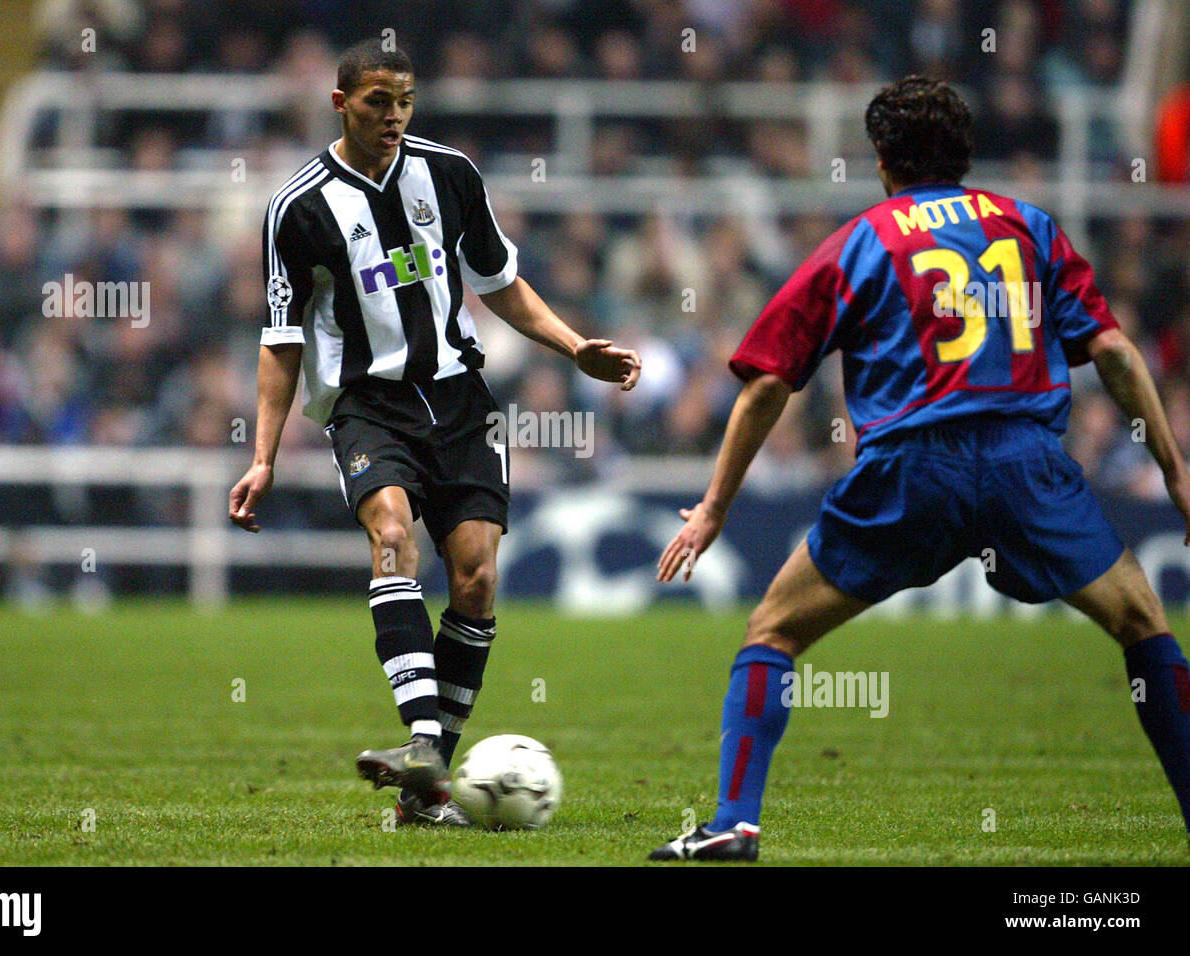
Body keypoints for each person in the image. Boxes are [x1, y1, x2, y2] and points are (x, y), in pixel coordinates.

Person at [649, 76, 1190, 862]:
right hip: (1025, 464)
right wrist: (1173, 467)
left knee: (772, 631)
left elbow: (769, 380)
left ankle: (735, 821)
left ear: (880, 159)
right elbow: (1110, 348)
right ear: (964, 153)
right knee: (1144, 625)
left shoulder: (861, 242)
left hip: (911, 469)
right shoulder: (1028, 225)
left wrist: (713, 506)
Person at [229, 39, 640, 826]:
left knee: (477, 577)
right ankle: (424, 744)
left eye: (406, 101)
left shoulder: (450, 175)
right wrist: (262, 457)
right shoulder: (300, 208)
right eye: (379, 101)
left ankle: (426, 789)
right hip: (367, 404)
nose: (395, 116)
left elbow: (501, 284)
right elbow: (281, 340)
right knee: (390, 532)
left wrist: (574, 345)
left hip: (460, 400)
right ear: (342, 102)